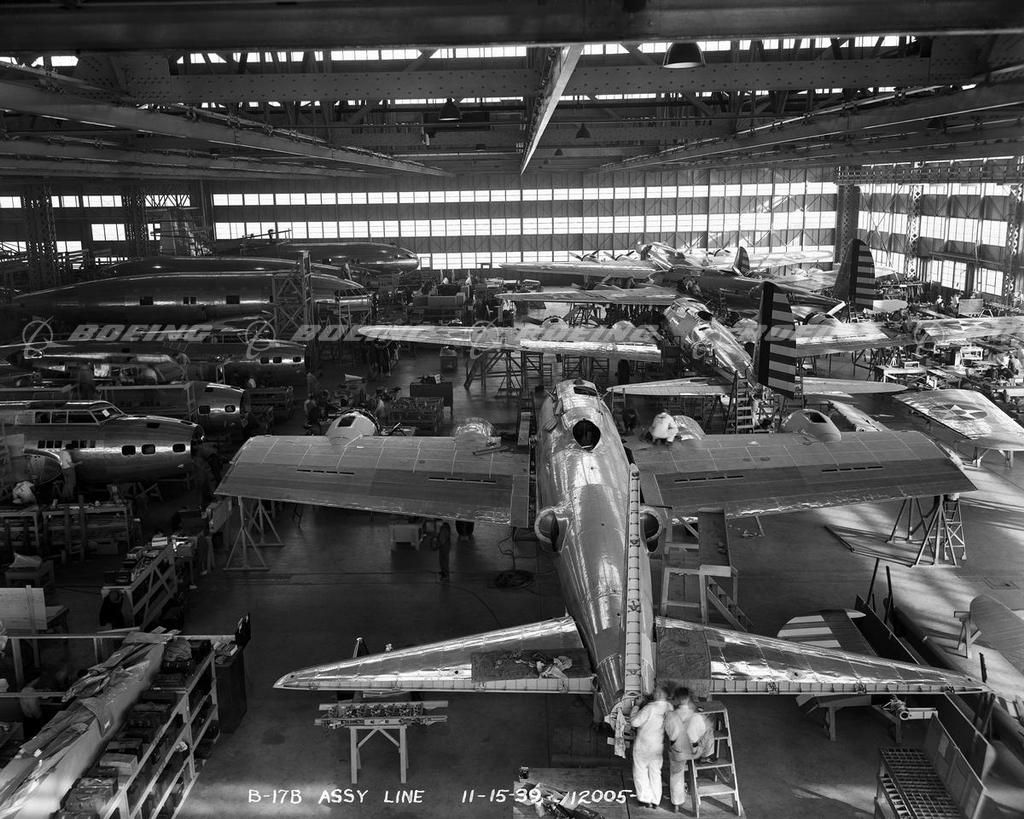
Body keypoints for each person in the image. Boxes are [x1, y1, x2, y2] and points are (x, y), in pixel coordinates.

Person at [664, 687, 709, 812]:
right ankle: (704, 762)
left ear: (676, 700)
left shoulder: (671, 716)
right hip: (694, 753)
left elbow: (669, 733)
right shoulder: (695, 716)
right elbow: (702, 730)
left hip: (678, 752)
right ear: (688, 699)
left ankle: (677, 804)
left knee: (676, 774)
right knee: (703, 739)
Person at [630, 686, 673, 809]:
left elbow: (634, 722)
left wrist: (636, 706)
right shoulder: (668, 707)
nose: (653, 693)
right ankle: (655, 800)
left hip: (643, 745)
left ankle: (645, 798)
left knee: (640, 770)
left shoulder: (650, 708)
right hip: (657, 745)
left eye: (656, 692)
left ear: (660, 695)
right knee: (655, 772)